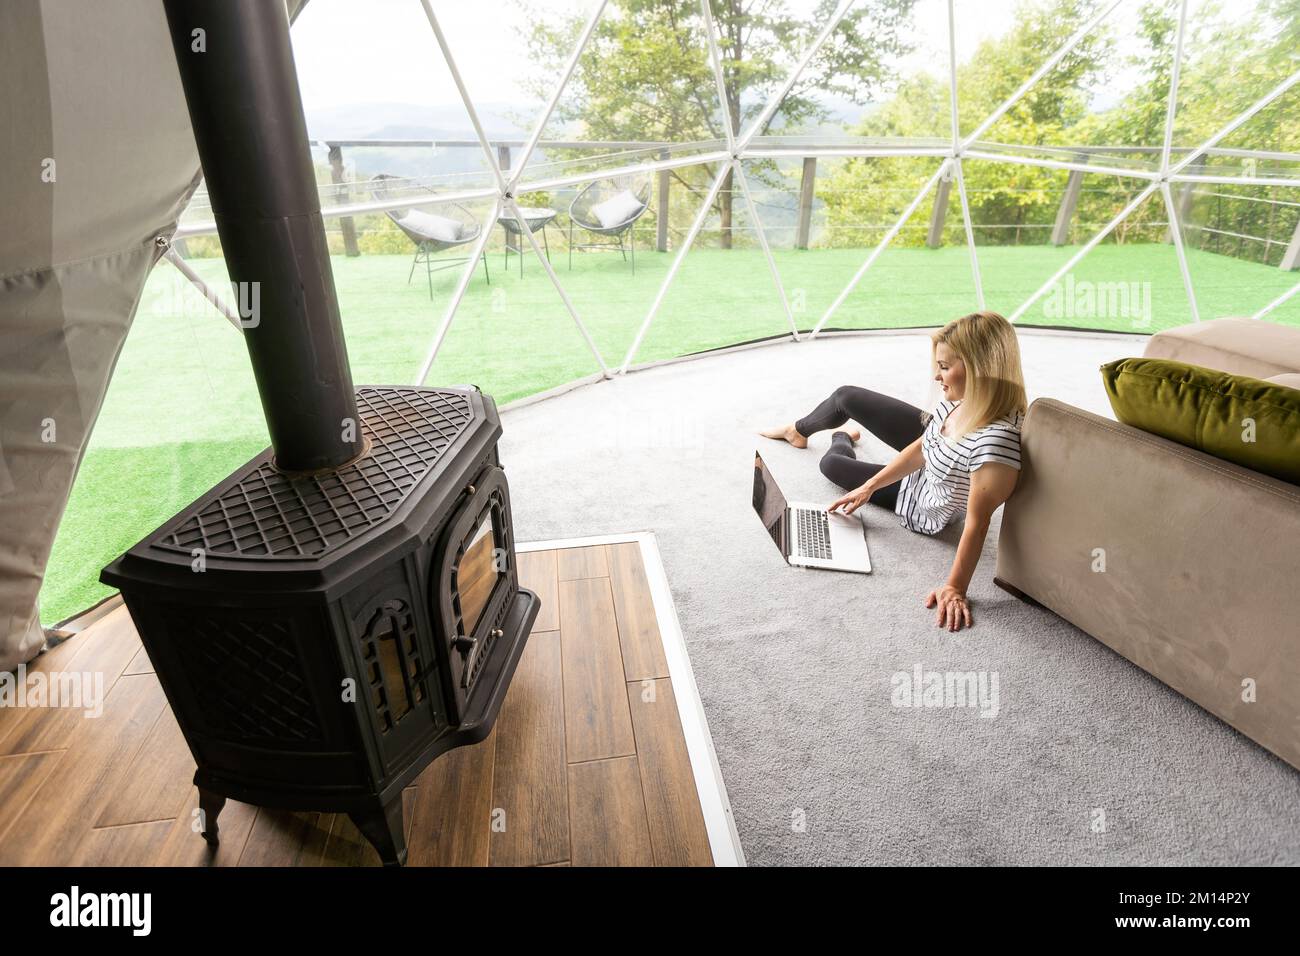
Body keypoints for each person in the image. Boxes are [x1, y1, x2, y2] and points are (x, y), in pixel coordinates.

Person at [759, 310, 1028, 633]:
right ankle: (798, 430)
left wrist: (955, 588)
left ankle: (841, 438)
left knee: (830, 464)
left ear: (981, 370)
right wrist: (869, 486)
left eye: (944, 368)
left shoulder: (995, 444)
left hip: (921, 503)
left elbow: (977, 523)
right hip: (940, 453)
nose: (936, 377)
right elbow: (922, 446)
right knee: (846, 396)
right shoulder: (960, 401)